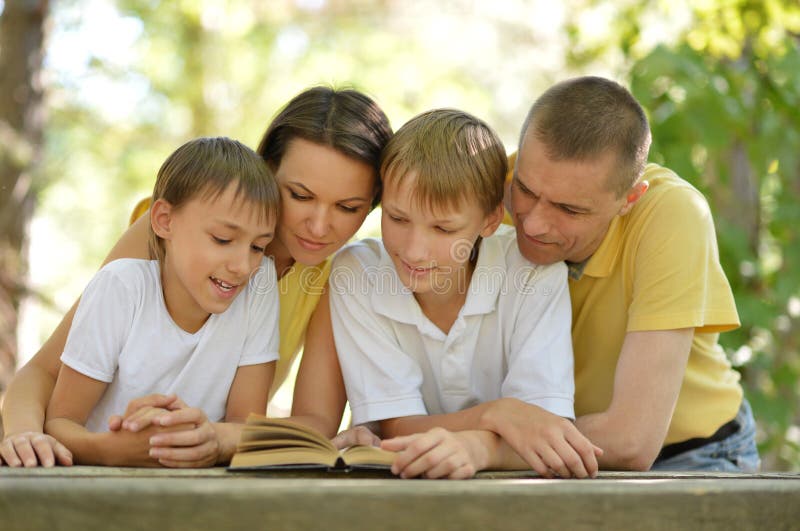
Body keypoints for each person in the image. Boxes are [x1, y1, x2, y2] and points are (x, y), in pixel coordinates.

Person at [0, 87, 392, 467]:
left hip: (200, 457)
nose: (319, 226)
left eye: (347, 206)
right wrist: (25, 433)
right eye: (300, 196)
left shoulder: (335, 275)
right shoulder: (172, 233)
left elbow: (314, 422)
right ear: (267, 171)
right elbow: (45, 371)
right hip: (102, 445)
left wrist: (216, 439)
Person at [491, 76, 759, 471]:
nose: (532, 224)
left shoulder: (671, 213)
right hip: (546, 451)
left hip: (691, 455)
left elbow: (631, 440)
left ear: (629, 199)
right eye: (526, 192)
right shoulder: (487, 186)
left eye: (569, 210)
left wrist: (484, 447)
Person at [328, 109, 601, 479]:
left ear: (490, 219)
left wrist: (485, 441)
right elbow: (395, 426)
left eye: (443, 228)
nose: (414, 250)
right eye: (397, 218)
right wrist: (497, 414)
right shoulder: (357, 273)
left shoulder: (533, 272)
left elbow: (543, 429)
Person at [43, 137, 280, 466]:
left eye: (258, 247)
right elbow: (60, 423)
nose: (243, 266)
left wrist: (207, 437)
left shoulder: (259, 284)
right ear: (165, 220)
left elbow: (246, 427)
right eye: (223, 239)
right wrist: (112, 450)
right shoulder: (120, 287)